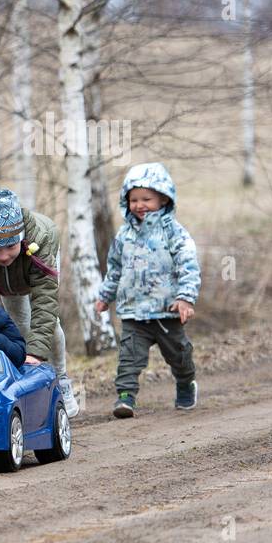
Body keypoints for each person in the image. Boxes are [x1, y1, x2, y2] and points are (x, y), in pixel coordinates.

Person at [0, 185, 80, 416]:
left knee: (47, 323)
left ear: (21, 237)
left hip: (33, 270)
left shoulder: (42, 238)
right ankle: (27, 382)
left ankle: (61, 378)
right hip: (3, 284)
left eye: (10, 247)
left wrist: (35, 353)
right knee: (19, 326)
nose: (3, 256)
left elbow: (44, 301)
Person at [95, 162, 200, 418]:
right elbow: (115, 268)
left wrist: (185, 298)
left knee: (179, 355)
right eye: (134, 200)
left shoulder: (174, 232)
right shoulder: (124, 235)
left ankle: (186, 383)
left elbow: (189, 265)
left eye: (146, 199)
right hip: (133, 313)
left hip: (167, 312)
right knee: (128, 360)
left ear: (163, 198)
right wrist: (105, 295)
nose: (140, 205)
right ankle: (125, 398)